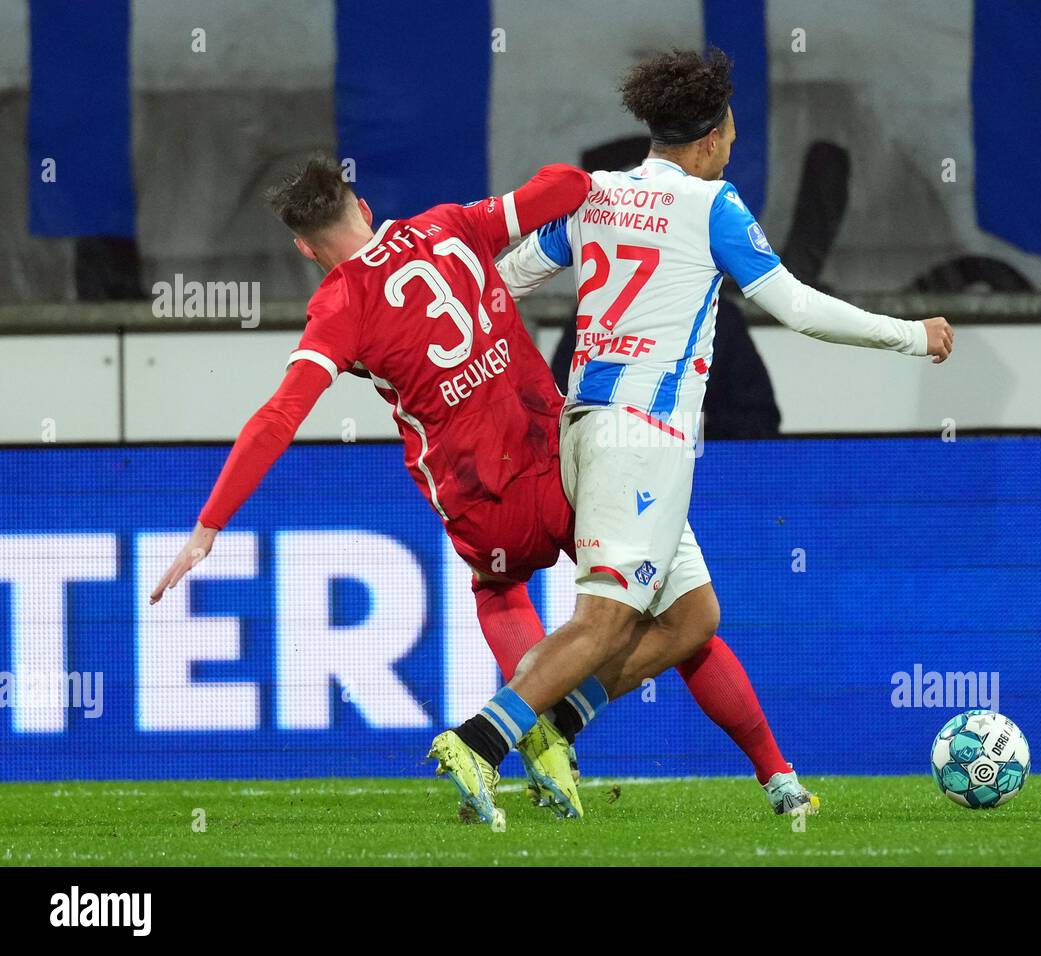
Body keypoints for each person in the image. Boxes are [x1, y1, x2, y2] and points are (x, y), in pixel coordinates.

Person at [149, 156, 813, 821]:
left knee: (498, 589)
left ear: (304, 246)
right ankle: (776, 776)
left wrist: (209, 526)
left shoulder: (339, 304)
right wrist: (628, 184)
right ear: (366, 208)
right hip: (565, 462)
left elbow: (278, 417)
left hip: (483, 500)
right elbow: (564, 186)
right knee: (678, 617)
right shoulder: (450, 225)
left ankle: (537, 733)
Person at [431, 47, 953, 823]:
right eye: (732, 131)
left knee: (692, 618)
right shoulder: (715, 208)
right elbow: (798, 307)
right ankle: (478, 742)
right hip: (644, 441)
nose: (734, 143)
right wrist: (913, 335)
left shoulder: (595, 196)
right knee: (604, 621)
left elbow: (500, 281)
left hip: (583, 431)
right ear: (711, 136)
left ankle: (563, 725)